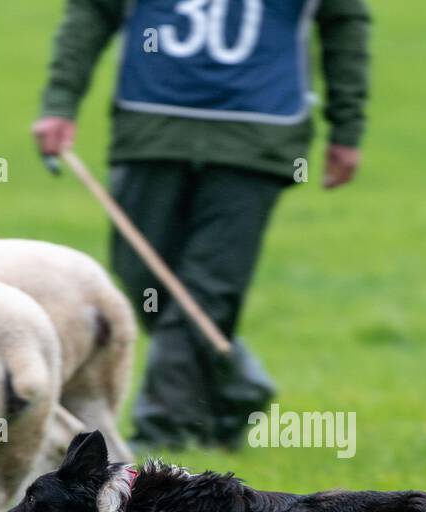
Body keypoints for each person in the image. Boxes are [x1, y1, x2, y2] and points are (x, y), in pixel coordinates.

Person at [33, 0, 372, 451]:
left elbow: (345, 23)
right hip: (151, 129)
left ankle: (164, 429)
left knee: (208, 286)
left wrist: (346, 128)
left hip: (258, 136)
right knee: (142, 277)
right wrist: (60, 102)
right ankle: (236, 386)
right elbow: (93, 10)